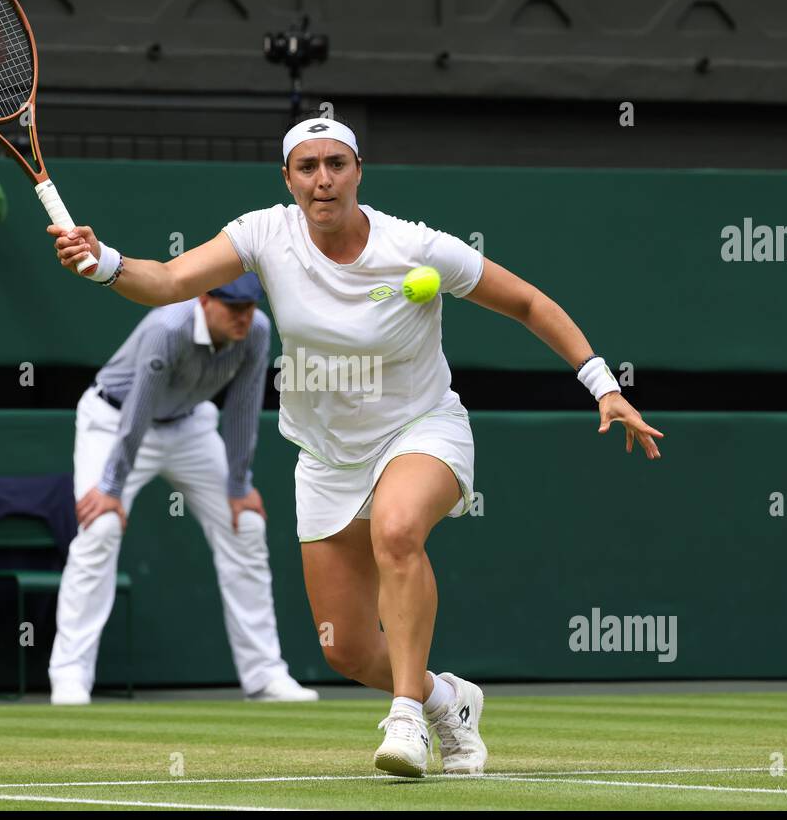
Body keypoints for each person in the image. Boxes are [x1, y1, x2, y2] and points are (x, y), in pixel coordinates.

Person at [48, 116, 664, 776]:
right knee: (343, 647)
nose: (323, 178)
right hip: (326, 459)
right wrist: (104, 262)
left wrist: (602, 384)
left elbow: (528, 303)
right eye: (307, 166)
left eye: (336, 163)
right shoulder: (263, 233)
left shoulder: (416, 247)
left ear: (358, 171)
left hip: (421, 428)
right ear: (287, 179)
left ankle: (406, 716)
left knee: (397, 529)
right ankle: (445, 699)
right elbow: (169, 280)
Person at [48, 273, 318, 705]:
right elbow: (137, 411)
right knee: (99, 529)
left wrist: (238, 483)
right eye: (233, 308)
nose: (243, 318)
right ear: (205, 300)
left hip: (190, 427)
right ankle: (70, 676)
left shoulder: (257, 332)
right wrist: (112, 488)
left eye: (249, 308)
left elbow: (244, 406)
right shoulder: (166, 329)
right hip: (113, 422)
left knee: (245, 525)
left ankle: (265, 674)